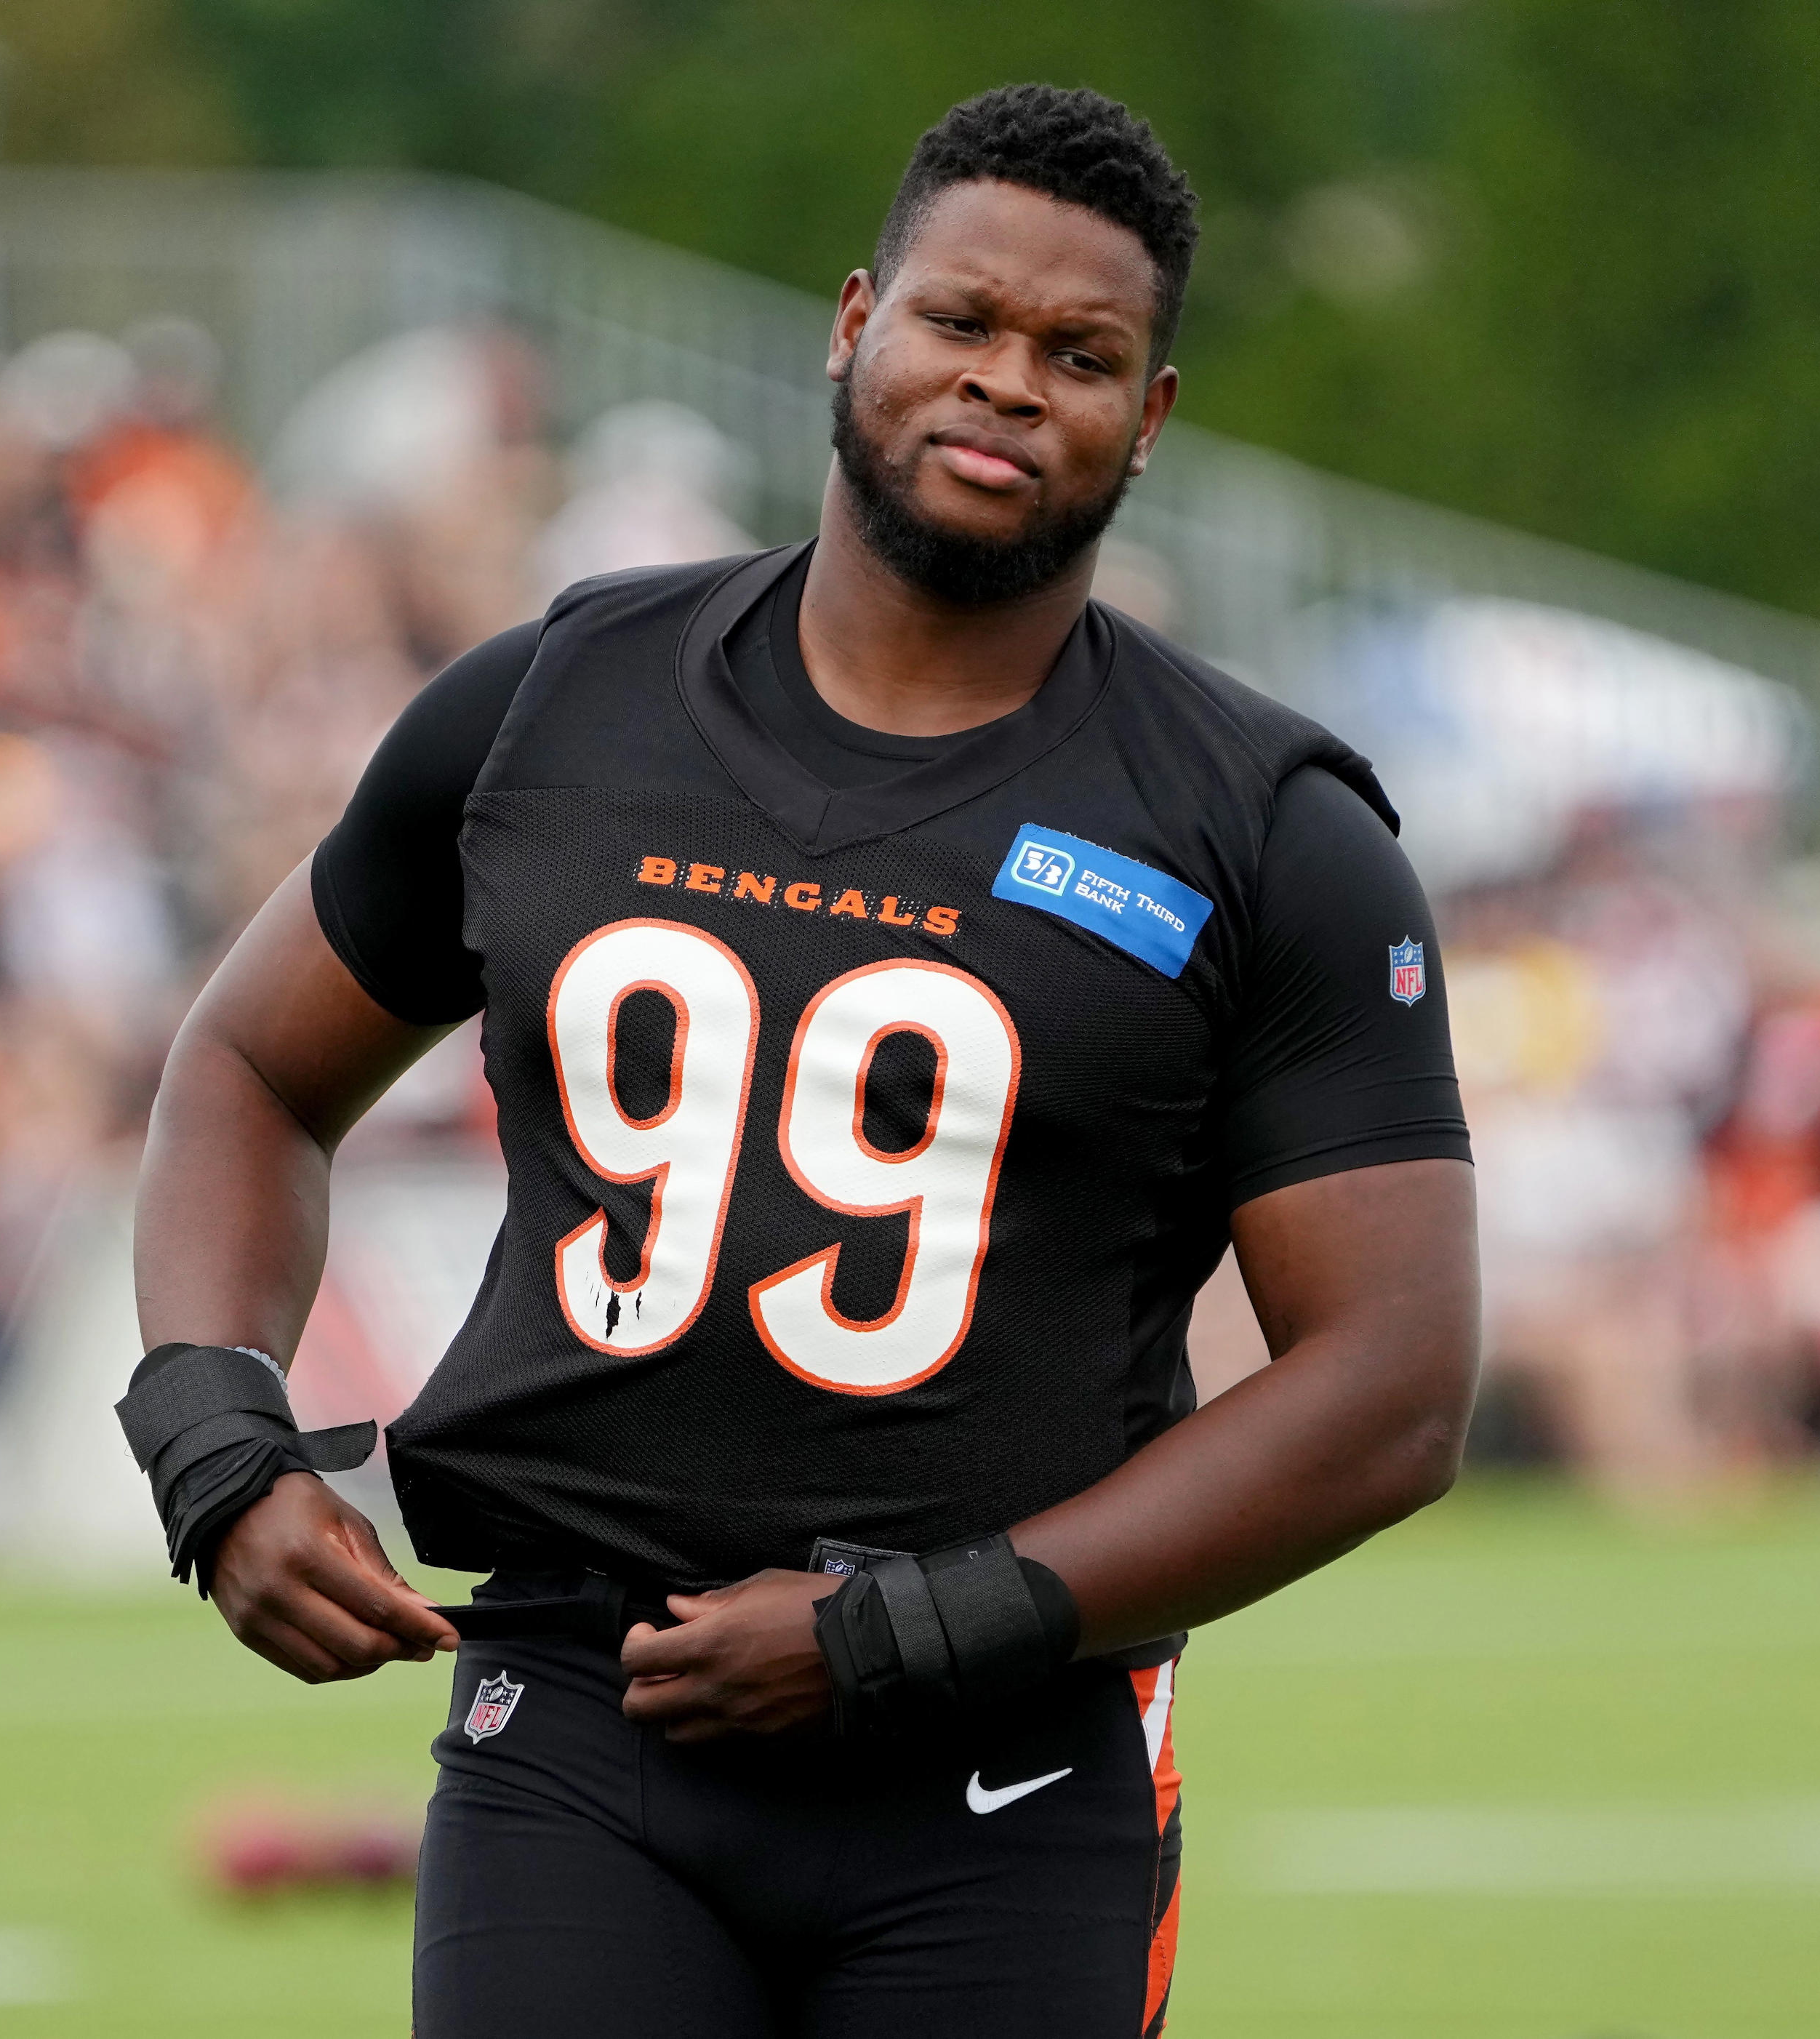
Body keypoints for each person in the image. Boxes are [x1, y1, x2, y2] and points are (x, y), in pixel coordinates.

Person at [127, 84, 1480, 2038]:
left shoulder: (1260, 825)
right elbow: (250, 1064)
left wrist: (920, 1625)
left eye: (1079, 355)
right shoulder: (553, 706)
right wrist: (213, 1429)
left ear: (1151, 417)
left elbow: (1393, 1385)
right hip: (583, 1720)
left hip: (1004, 1765)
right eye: (962, 322)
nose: (1007, 384)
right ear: (855, 323)